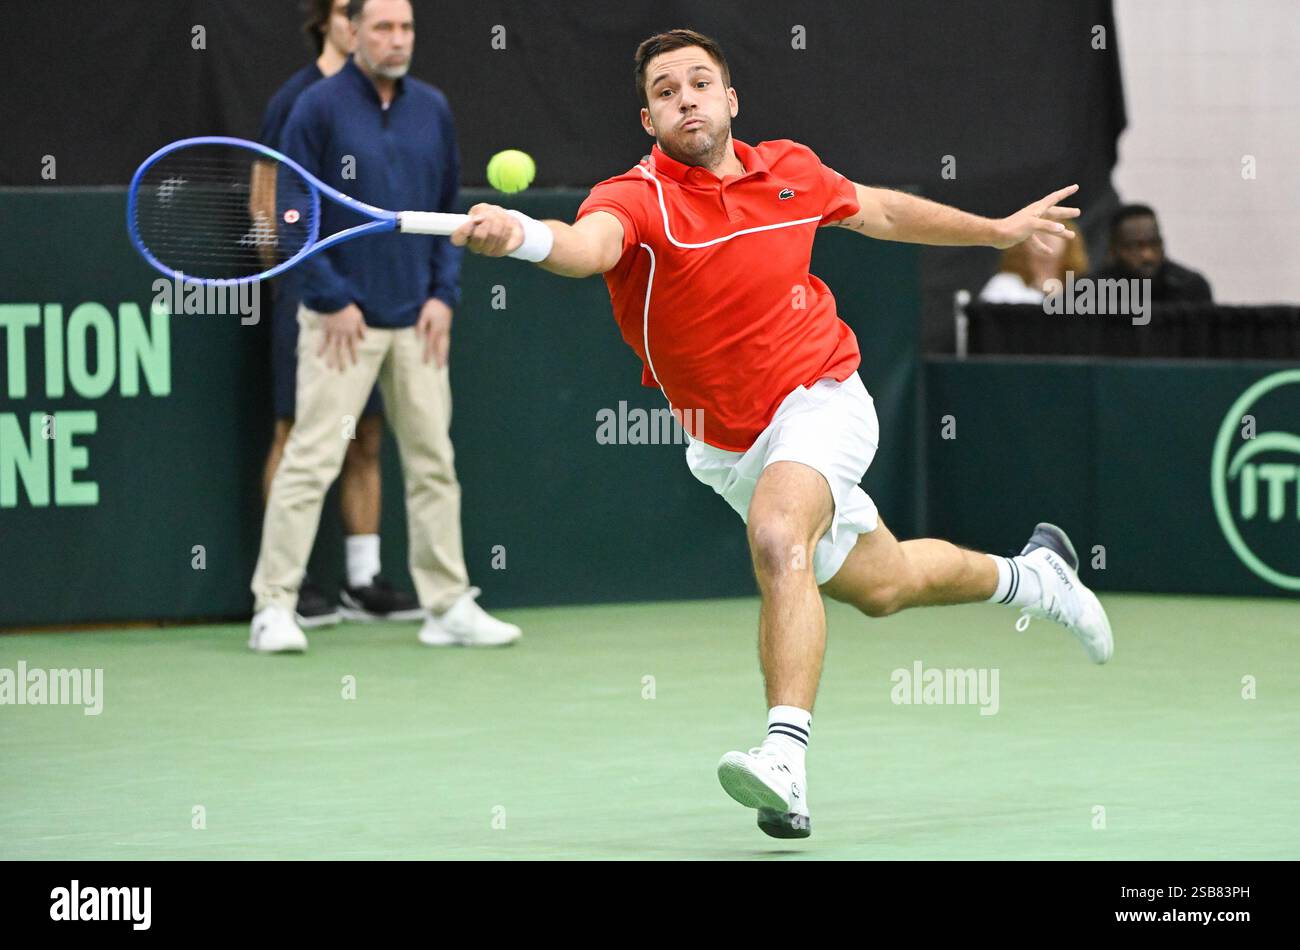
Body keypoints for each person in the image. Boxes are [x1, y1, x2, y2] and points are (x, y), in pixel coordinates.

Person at [450, 28, 1112, 839]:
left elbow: (881, 210)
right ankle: (1037, 577)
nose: (685, 97)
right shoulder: (634, 198)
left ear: (731, 100)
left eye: (700, 82)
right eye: (665, 91)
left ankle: (785, 762)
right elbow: (587, 249)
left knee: (777, 534)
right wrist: (521, 236)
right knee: (886, 583)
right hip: (727, 444)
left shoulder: (791, 170)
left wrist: (995, 230)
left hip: (822, 393)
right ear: (649, 121)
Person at [248, 0, 520, 653]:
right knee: (311, 459)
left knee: (433, 461)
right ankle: (273, 608)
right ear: (353, 32)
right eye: (383, 28)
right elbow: (290, 213)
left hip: (418, 321)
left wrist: (443, 296)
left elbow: (448, 209)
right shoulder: (315, 107)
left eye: (406, 28)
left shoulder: (433, 107)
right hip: (340, 321)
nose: (397, 40)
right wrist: (331, 297)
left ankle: (448, 605)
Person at [253, 0, 422, 628]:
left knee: (367, 439)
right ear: (332, 21)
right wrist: (309, 288)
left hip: (383, 300)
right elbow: (268, 200)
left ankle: (363, 581)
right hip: (312, 297)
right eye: (361, 17)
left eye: (395, 23)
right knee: (297, 433)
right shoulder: (299, 99)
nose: (378, 31)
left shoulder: (396, 102)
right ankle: (284, 592)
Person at [1090, 203, 1213, 302]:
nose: (1147, 255)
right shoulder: (1091, 292)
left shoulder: (1190, 287)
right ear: (1114, 250)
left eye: (1154, 244)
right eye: (1135, 247)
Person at [979, 221, 1088, 303]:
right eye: (1038, 231)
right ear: (1021, 241)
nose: (1046, 237)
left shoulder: (1082, 288)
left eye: (1054, 231)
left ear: (1069, 240)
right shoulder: (1004, 284)